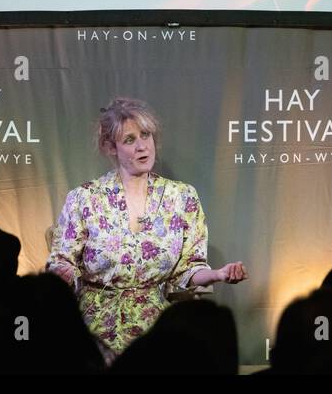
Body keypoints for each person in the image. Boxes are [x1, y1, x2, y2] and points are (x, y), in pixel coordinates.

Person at [46, 97, 247, 360]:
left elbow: (189, 269)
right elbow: (61, 261)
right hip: (94, 326)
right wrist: (63, 273)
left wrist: (218, 274)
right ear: (111, 147)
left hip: (156, 326)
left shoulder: (182, 197)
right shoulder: (84, 198)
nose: (142, 146)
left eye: (146, 135)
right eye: (129, 140)